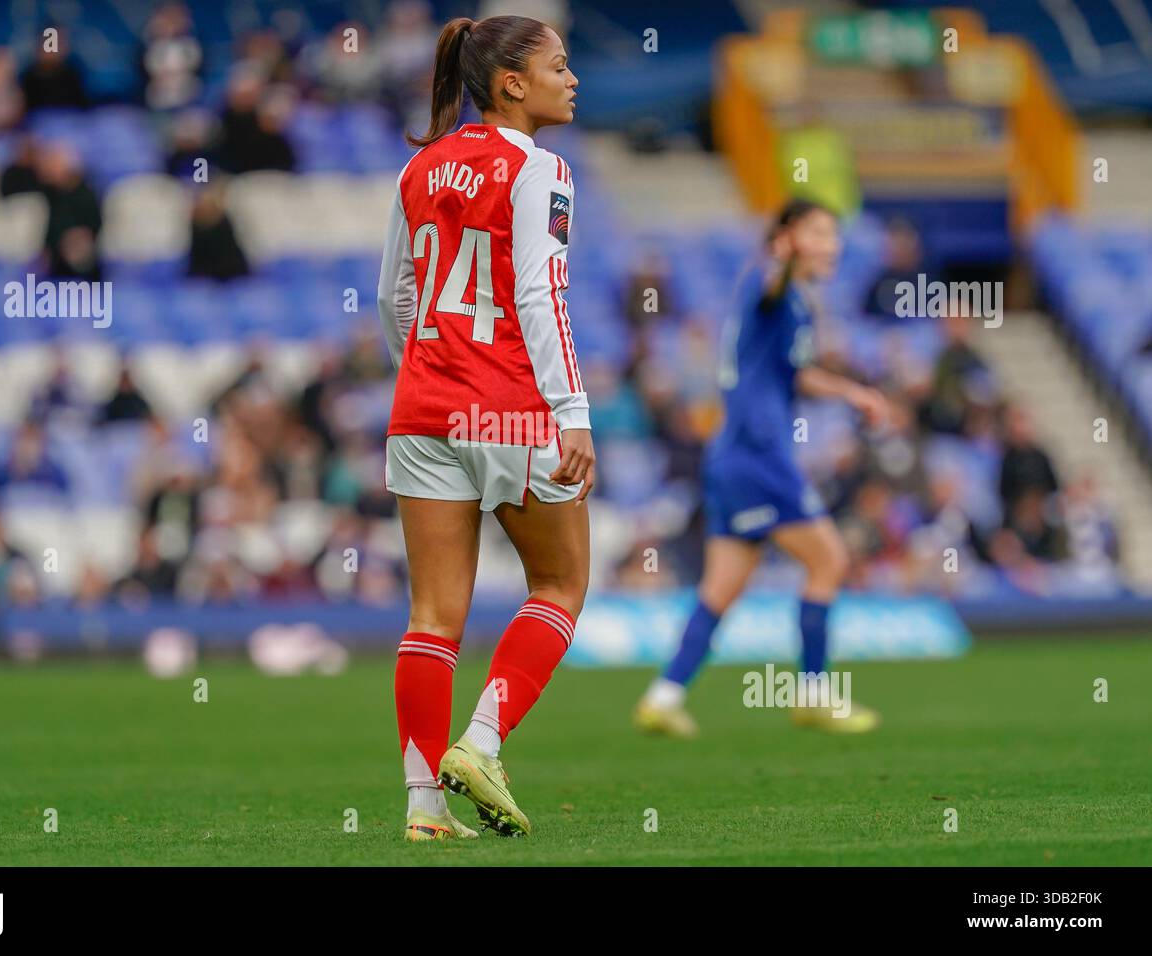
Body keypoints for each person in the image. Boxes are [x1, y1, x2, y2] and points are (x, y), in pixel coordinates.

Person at [377, 15, 588, 841]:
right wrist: (571, 412)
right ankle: (484, 743)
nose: (572, 80)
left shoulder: (419, 167)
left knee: (431, 617)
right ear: (511, 83)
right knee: (562, 585)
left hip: (421, 408)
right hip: (506, 404)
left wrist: (428, 375)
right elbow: (541, 297)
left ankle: (424, 809)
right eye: (559, 66)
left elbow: (397, 299)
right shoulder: (540, 168)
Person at [635, 199, 888, 738]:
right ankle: (815, 694)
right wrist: (785, 257)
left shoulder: (792, 302)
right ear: (788, 238)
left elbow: (793, 372)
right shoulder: (771, 284)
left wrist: (849, 390)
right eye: (819, 232)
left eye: (834, 234)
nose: (832, 244)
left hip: (730, 455)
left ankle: (663, 695)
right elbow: (771, 279)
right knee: (829, 561)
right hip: (760, 454)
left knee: (721, 588)